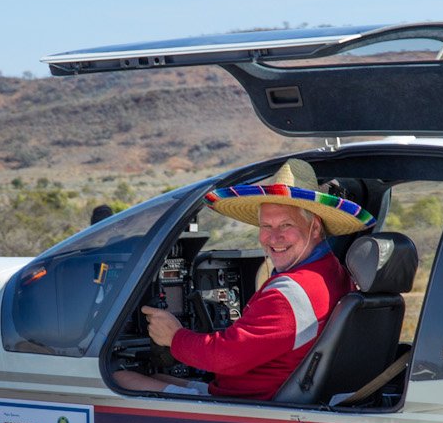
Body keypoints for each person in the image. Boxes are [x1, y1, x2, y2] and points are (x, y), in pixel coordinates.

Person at [112, 159, 373, 399]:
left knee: (119, 379)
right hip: (261, 391)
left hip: (248, 405)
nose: (273, 237)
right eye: (266, 226)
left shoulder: (291, 293)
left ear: (314, 227)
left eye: (286, 226)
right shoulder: (333, 272)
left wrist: (175, 336)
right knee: (156, 377)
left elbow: (226, 357)